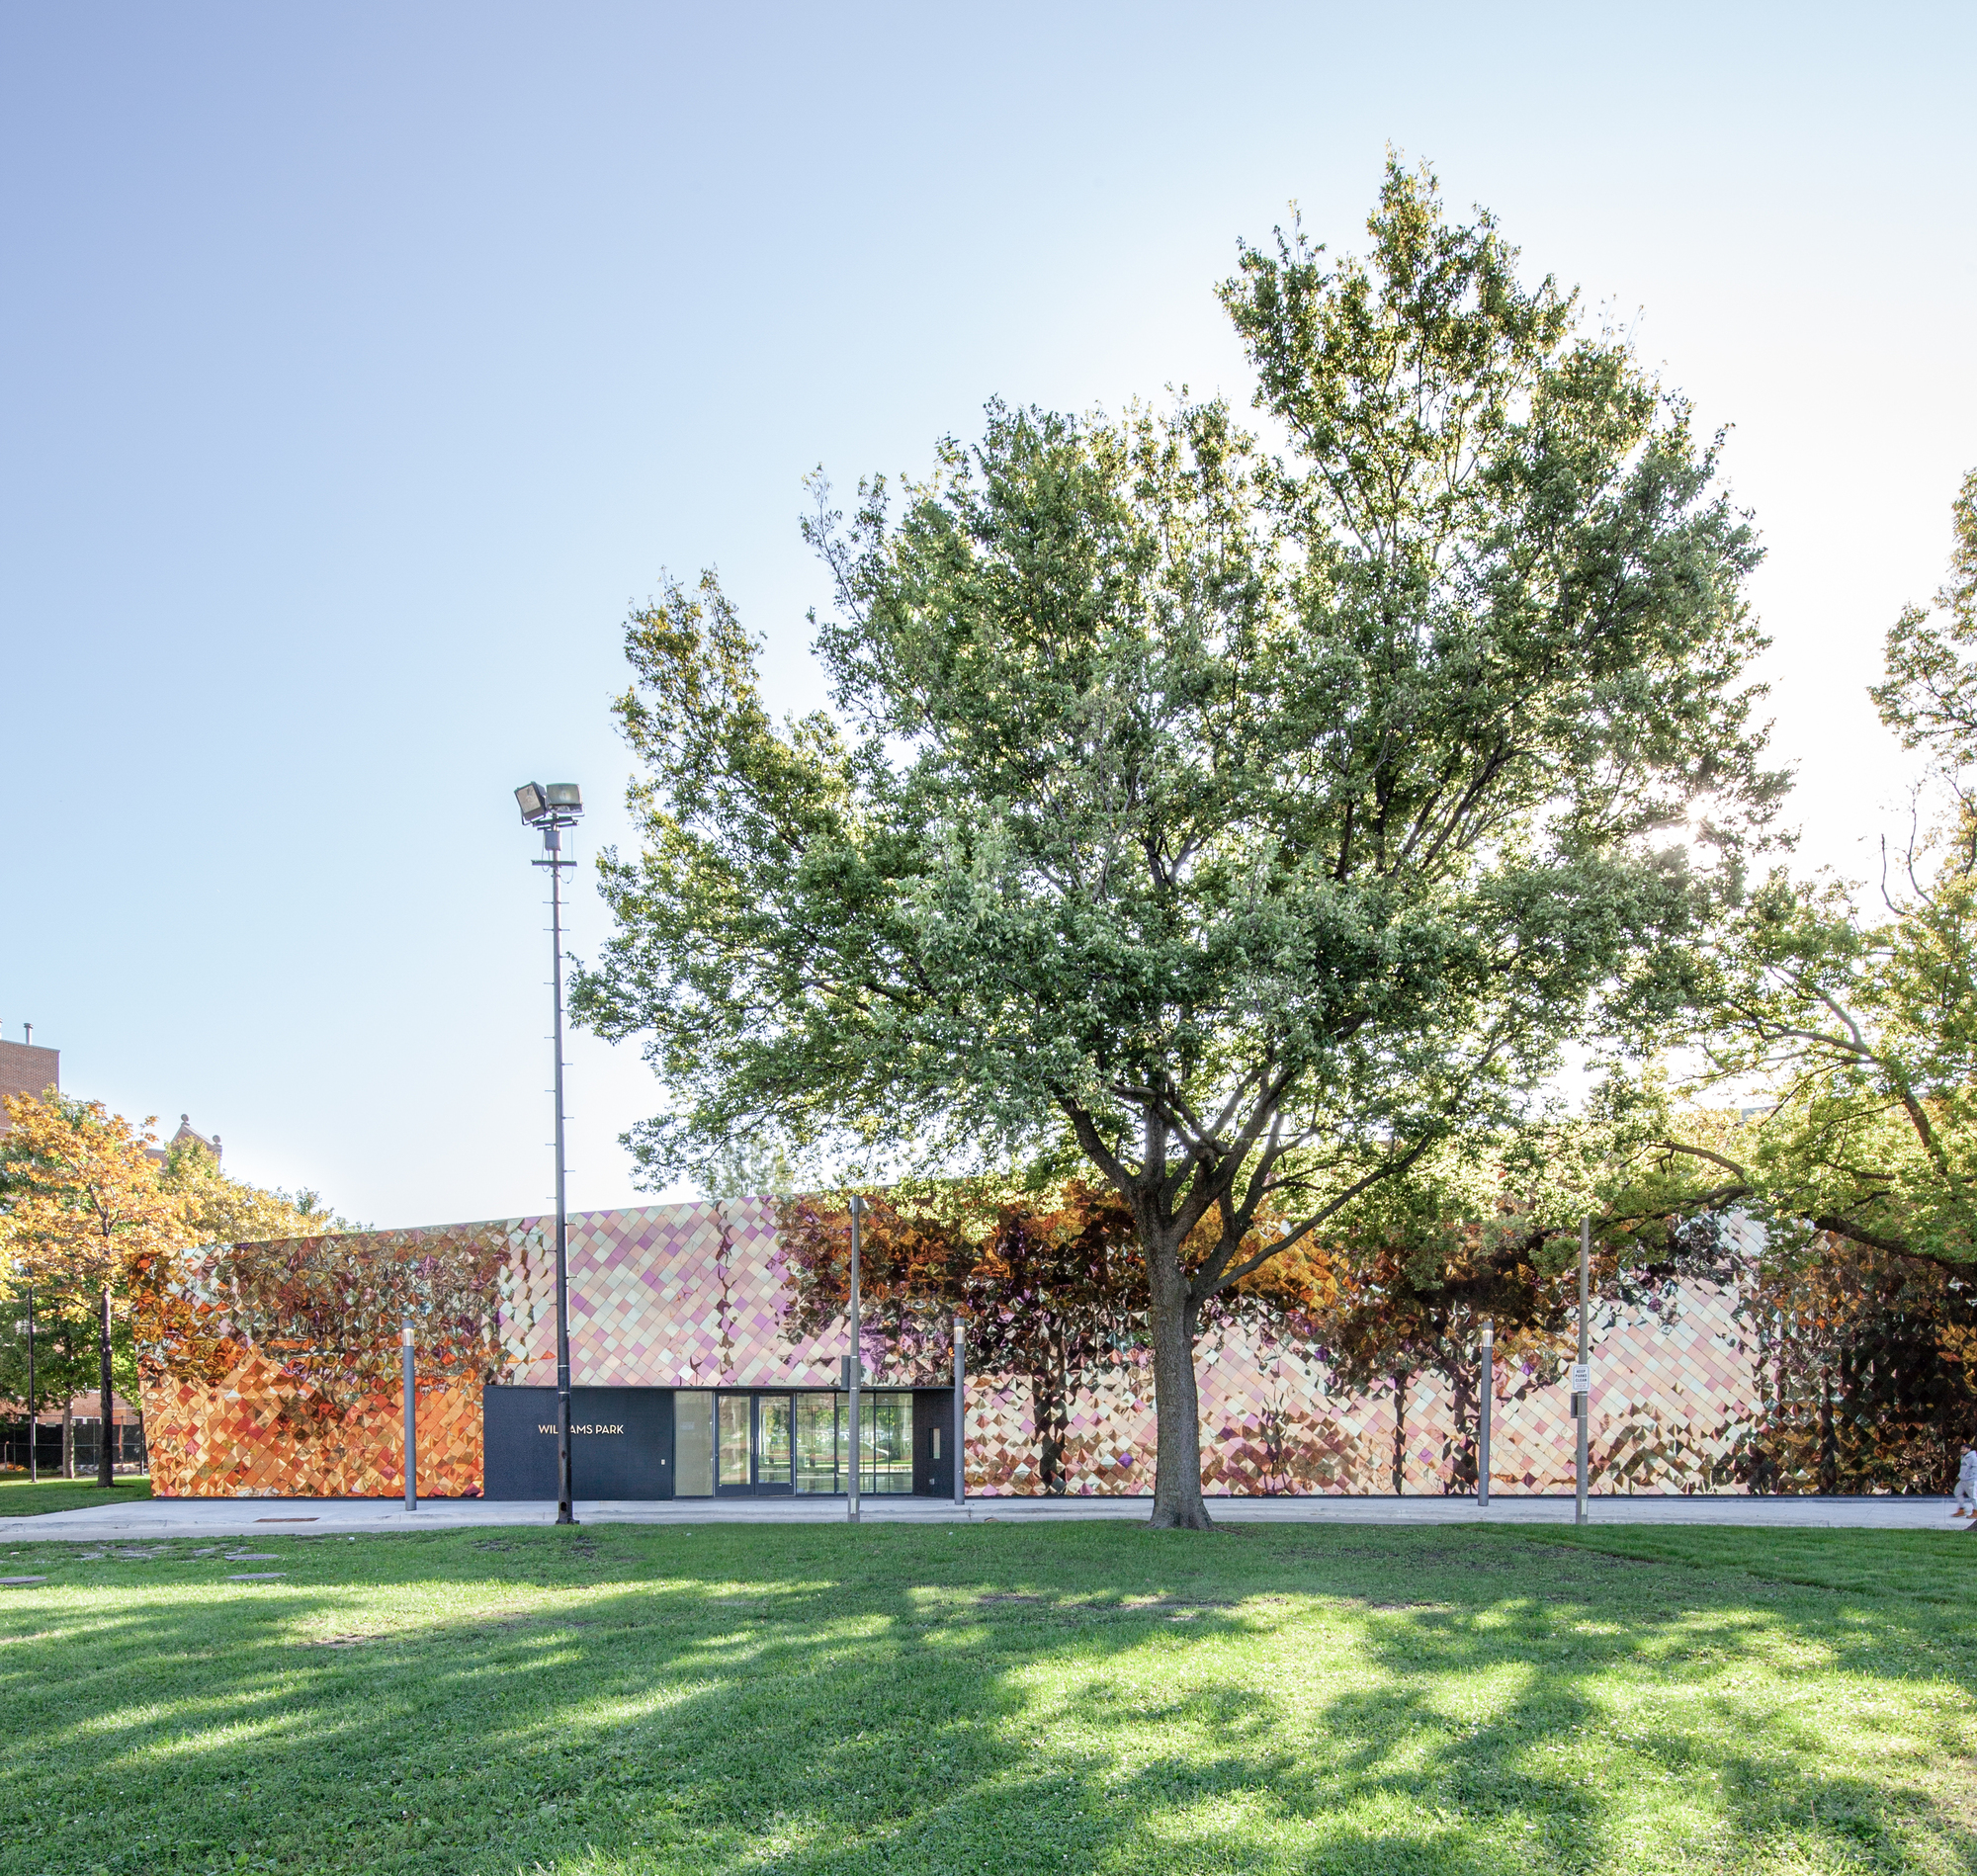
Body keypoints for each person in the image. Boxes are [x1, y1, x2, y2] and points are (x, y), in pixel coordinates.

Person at [1955, 1446, 1977, 1517]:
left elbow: (1975, 1467)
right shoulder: (1963, 1457)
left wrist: (1970, 1475)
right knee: (1957, 1493)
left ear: (1969, 1449)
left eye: (1964, 1449)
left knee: (1973, 1497)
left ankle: (1976, 1511)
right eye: (1961, 1449)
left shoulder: (1973, 1457)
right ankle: (1962, 1509)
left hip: (1970, 1480)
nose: (1962, 1450)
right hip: (1963, 1480)